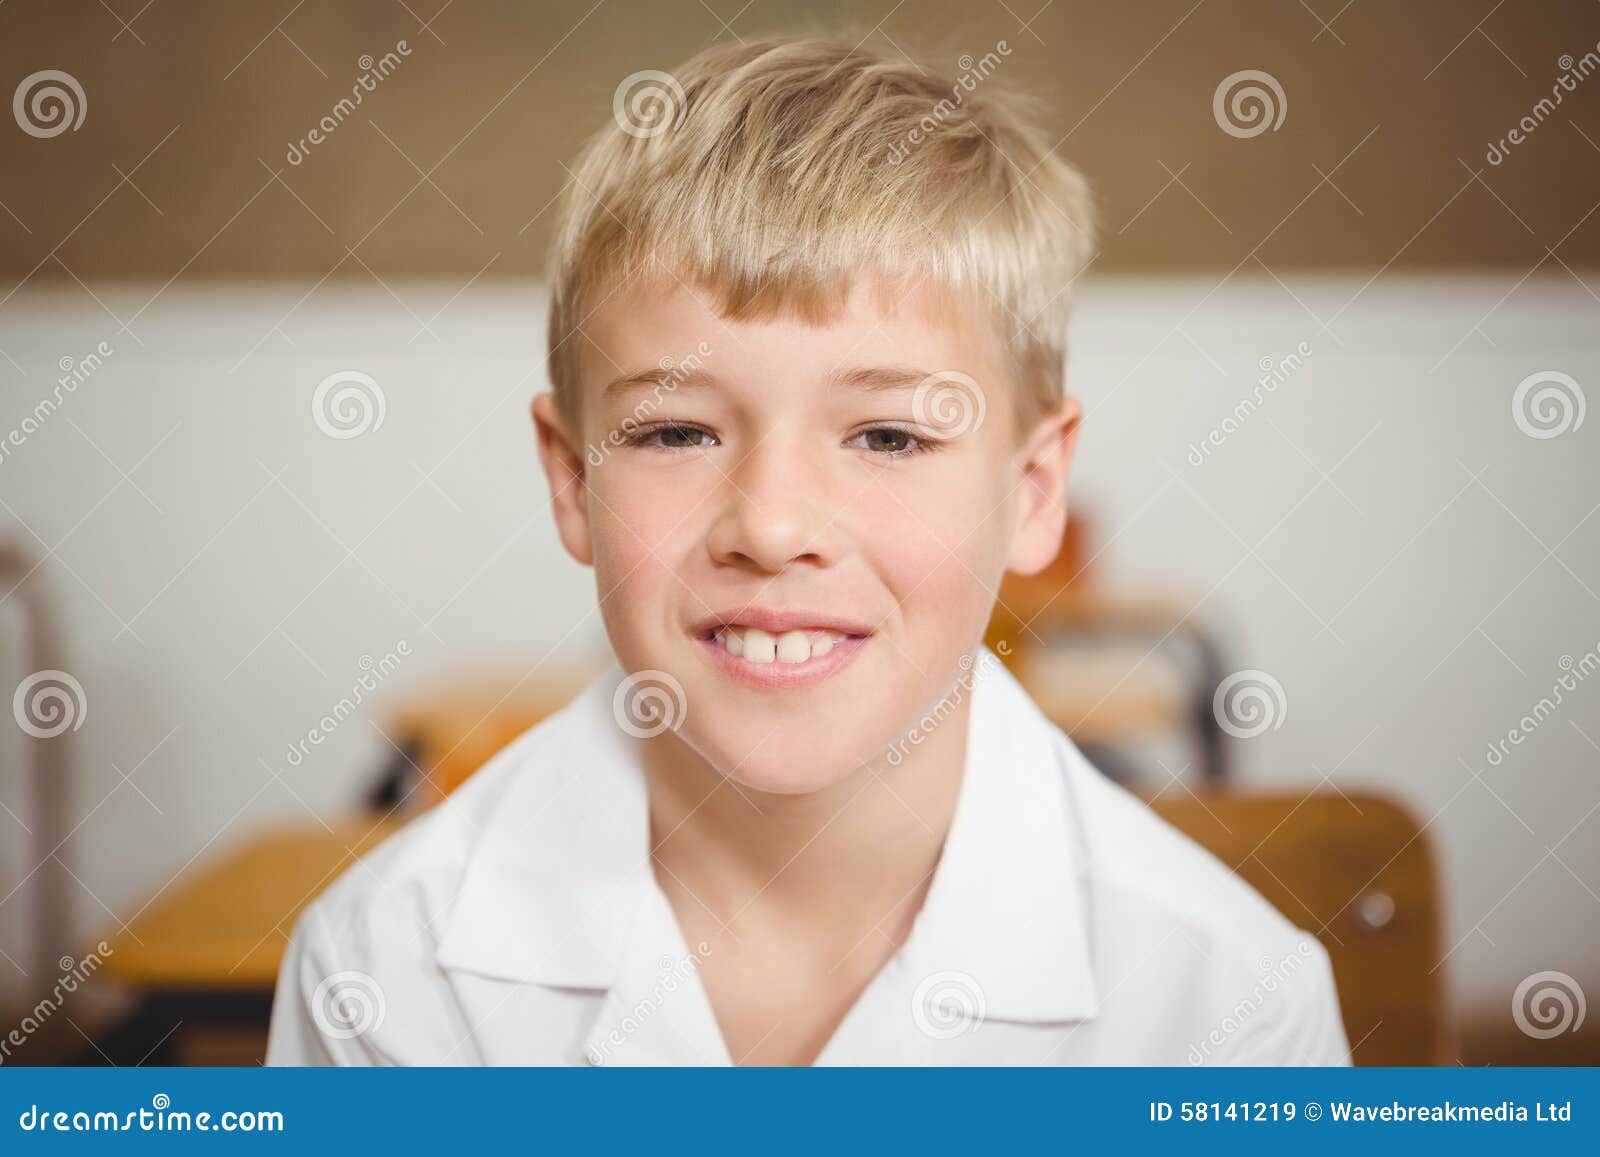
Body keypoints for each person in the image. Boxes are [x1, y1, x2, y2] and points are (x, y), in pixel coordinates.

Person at [267, 33, 1350, 1067]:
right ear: (571, 478)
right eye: (676, 432)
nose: (774, 526)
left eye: (888, 435)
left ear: (1032, 489)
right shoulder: (382, 973)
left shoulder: (1231, 1005)